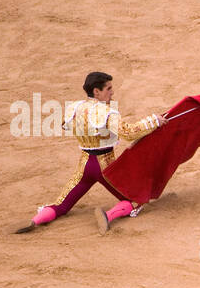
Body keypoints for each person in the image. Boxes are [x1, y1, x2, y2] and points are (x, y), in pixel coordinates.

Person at [16, 72, 166, 234]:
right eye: (108, 88)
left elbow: (63, 125)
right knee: (136, 200)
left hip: (85, 165)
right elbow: (128, 133)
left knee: (61, 205)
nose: (112, 92)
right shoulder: (107, 113)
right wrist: (153, 121)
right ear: (96, 91)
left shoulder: (74, 108)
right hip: (106, 167)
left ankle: (35, 220)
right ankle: (108, 216)